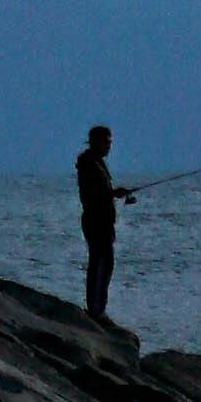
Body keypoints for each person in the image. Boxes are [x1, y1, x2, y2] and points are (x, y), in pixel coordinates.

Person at [76, 122, 133, 323]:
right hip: (95, 220)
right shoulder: (88, 163)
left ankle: (99, 308)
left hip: (103, 221)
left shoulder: (96, 162)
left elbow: (101, 191)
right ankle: (96, 310)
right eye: (107, 142)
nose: (109, 146)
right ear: (96, 142)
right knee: (100, 264)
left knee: (105, 264)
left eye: (110, 142)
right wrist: (114, 193)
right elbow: (94, 193)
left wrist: (115, 193)